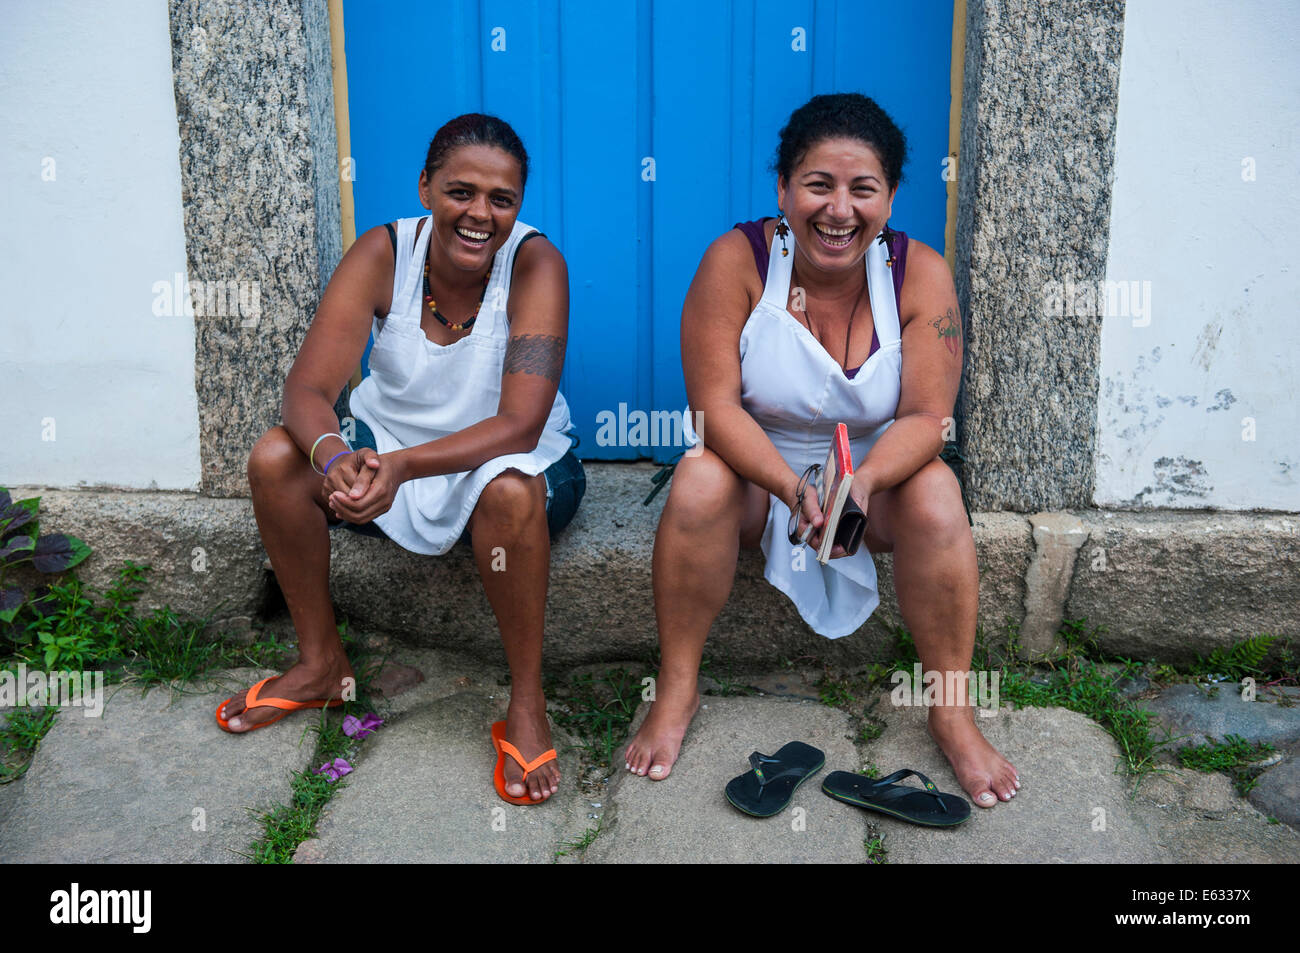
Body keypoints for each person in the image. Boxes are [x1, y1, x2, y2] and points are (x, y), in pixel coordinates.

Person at [624, 93, 1020, 808]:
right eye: (818, 184)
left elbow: (930, 417)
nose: (839, 210)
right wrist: (790, 487)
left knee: (936, 491)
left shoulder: (918, 272)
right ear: (783, 188)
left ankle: (952, 708)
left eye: (862, 188)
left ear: (891, 197)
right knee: (696, 477)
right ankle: (678, 686)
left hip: (875, 479)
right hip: (756, 476)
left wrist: (861, 484)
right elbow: (712, 411)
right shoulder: (737, 260)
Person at [219, 114, 584, 805]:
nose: (480, 213)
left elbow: (520, 421)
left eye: (501, 199)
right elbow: (308, 388)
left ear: (518, 206)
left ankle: (528, 704)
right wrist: (333, 458)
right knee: (274, 457)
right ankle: (321, 664)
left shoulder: (537, 265)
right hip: (390, 453)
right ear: (426, 187)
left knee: (508, 491)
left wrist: (404, 468)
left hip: (511, 458)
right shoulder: (384, 254)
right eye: (460, 191)